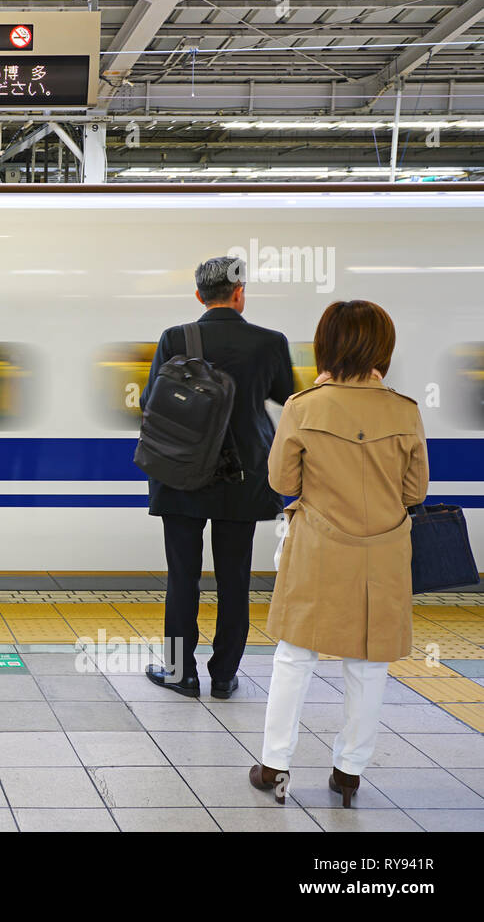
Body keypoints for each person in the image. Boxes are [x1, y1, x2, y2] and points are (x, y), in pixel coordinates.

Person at [250, 300, 428, 806]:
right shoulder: (405, 410)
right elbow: (414, 489)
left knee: (294, 657)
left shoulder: (303, 407)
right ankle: (348, 774)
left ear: (326, 347)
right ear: (383, 350)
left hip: (319, 547)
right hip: (384, 552)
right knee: (368, 664)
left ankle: (274, 767)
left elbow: (283, 481)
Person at [142, 256, 295, 699]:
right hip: (243, 477)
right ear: (240, 292)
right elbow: (288, 398)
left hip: (180, 472)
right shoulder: (269, 342)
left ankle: (179, 673)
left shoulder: (176, 338)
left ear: (198, 296)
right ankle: (224, 675)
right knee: (235, 579)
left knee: (181, 578)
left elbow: (151, 403)